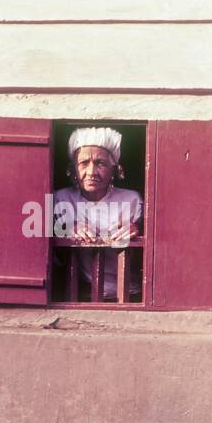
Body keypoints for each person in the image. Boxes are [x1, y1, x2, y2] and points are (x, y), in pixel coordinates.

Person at [52, 127, 143, 301]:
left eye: (101, 163)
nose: (92, 172)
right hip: (81, 294)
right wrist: (66, 228)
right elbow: (49, 245)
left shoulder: (132, 199)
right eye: (83, 163)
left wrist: (137, 229)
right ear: (73, 169)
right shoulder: (61, 198)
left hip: (130, 293)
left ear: (115, 170)